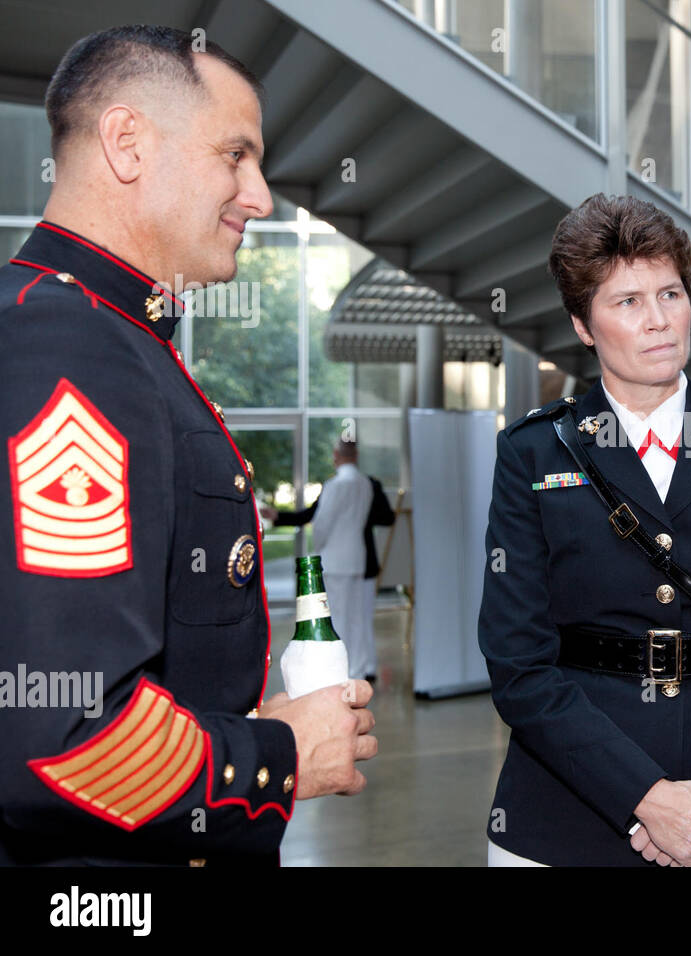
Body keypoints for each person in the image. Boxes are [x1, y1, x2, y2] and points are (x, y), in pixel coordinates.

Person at [0, 26, 376, 866]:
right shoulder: (70, 348)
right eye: (236, 154)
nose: (262, 196)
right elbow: (62, 732)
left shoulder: (105, 335)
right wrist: (276, 758)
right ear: (127, 143)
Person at [478, 193, 691, 866]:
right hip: (577, 800)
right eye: (627, 302)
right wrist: (646, 797)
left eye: (670, 293)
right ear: (584, 325)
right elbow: (516, 658)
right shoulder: (534, 452)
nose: (659, 321)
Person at [262, 441, 395, 681]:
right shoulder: (366, 484)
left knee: (339, 617)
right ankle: (359, 667)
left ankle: (342, 670)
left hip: (336, 558)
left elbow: (321, 523)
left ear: (336, 456)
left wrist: (321, 547)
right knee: (357, 617)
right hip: (357, 558)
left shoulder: (335, 485)